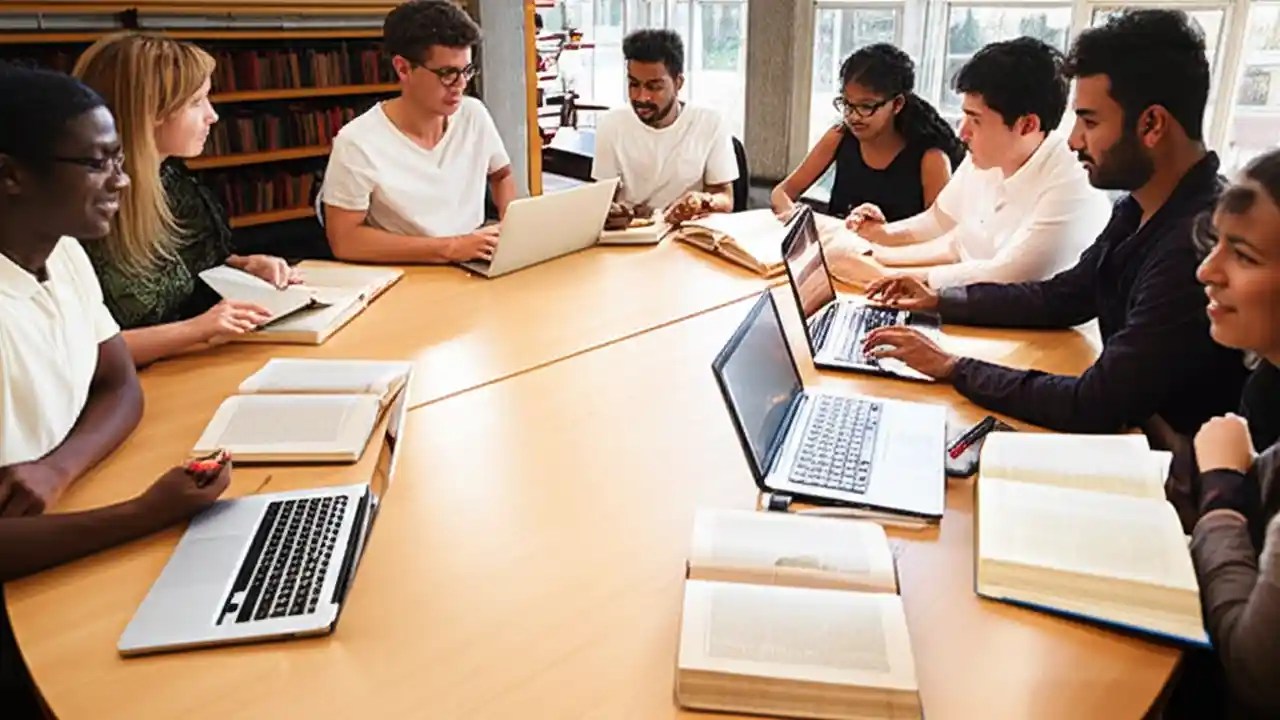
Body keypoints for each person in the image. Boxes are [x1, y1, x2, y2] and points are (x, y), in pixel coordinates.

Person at [860, 10, 1249, 436]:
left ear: (1152, 124)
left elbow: (1095, 402)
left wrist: (954, 367)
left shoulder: (1195, 242)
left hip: (1173, 476)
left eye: (1090, 121)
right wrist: (939, 301)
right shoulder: (1139, 208)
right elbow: (1064, 297)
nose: (1074, 139)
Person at [0, 64, 232, 719]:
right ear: (10, 174)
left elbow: (118, 381)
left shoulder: (63, 252)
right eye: (97, 162)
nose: (123, 181)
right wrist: (143, 514)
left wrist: (56, 467)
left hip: (65, 518)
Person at [72, 32, 296, 367]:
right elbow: (74, 354)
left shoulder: (174, 182)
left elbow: (188, 268)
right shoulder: (77, 211)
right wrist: (196, 329)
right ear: (150, 111)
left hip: (189, 362)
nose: (212, 116)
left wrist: (242, 266)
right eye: (197, 102)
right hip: (133, 385)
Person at [830, 37, 1111, 289]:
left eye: (975, 119)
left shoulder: (1072, 188)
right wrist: (879, 242)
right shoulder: (986, 159)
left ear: (1027, 125)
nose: (962, 133)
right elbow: (945, 228)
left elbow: (1004, 275)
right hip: (978, 314)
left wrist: (878, 273)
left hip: (1035, 332)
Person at [1161, 148, 1280, 719]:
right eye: (1217, 244)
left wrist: (1223, 490)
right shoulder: (1266, 384)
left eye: (1245, 255)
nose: (1207, 271)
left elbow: (1255, 674)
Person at [322, 0, 515, 265]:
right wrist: (450, 248)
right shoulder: (356, 143)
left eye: (466, 71)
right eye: (448, 73)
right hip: (408, 272)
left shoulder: (473, 114)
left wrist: (510, 229)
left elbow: (502, 174)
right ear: (403, 68)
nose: (460, 85)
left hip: (472, 262)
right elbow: (345, 241)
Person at [771, 44, 963, 224]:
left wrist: (884, 234)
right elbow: (782, 192)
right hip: (838, 252)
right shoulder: (839, 137)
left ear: (897, 104)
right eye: (847, 104)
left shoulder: (931, 159)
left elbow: (938, 232)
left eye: (866, 106)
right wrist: (797, 221)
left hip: (896, 257)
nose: (853, 117)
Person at [591, 29, 738, 225]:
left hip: (687, 236)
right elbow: (602, 201)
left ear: (678, 83)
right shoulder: (611, 125)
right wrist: (616, 212)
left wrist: (703, 201)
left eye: (654, 87)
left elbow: (725, 199)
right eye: (634, 84)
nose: (641, 97)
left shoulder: (710, 122)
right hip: (631, 236)